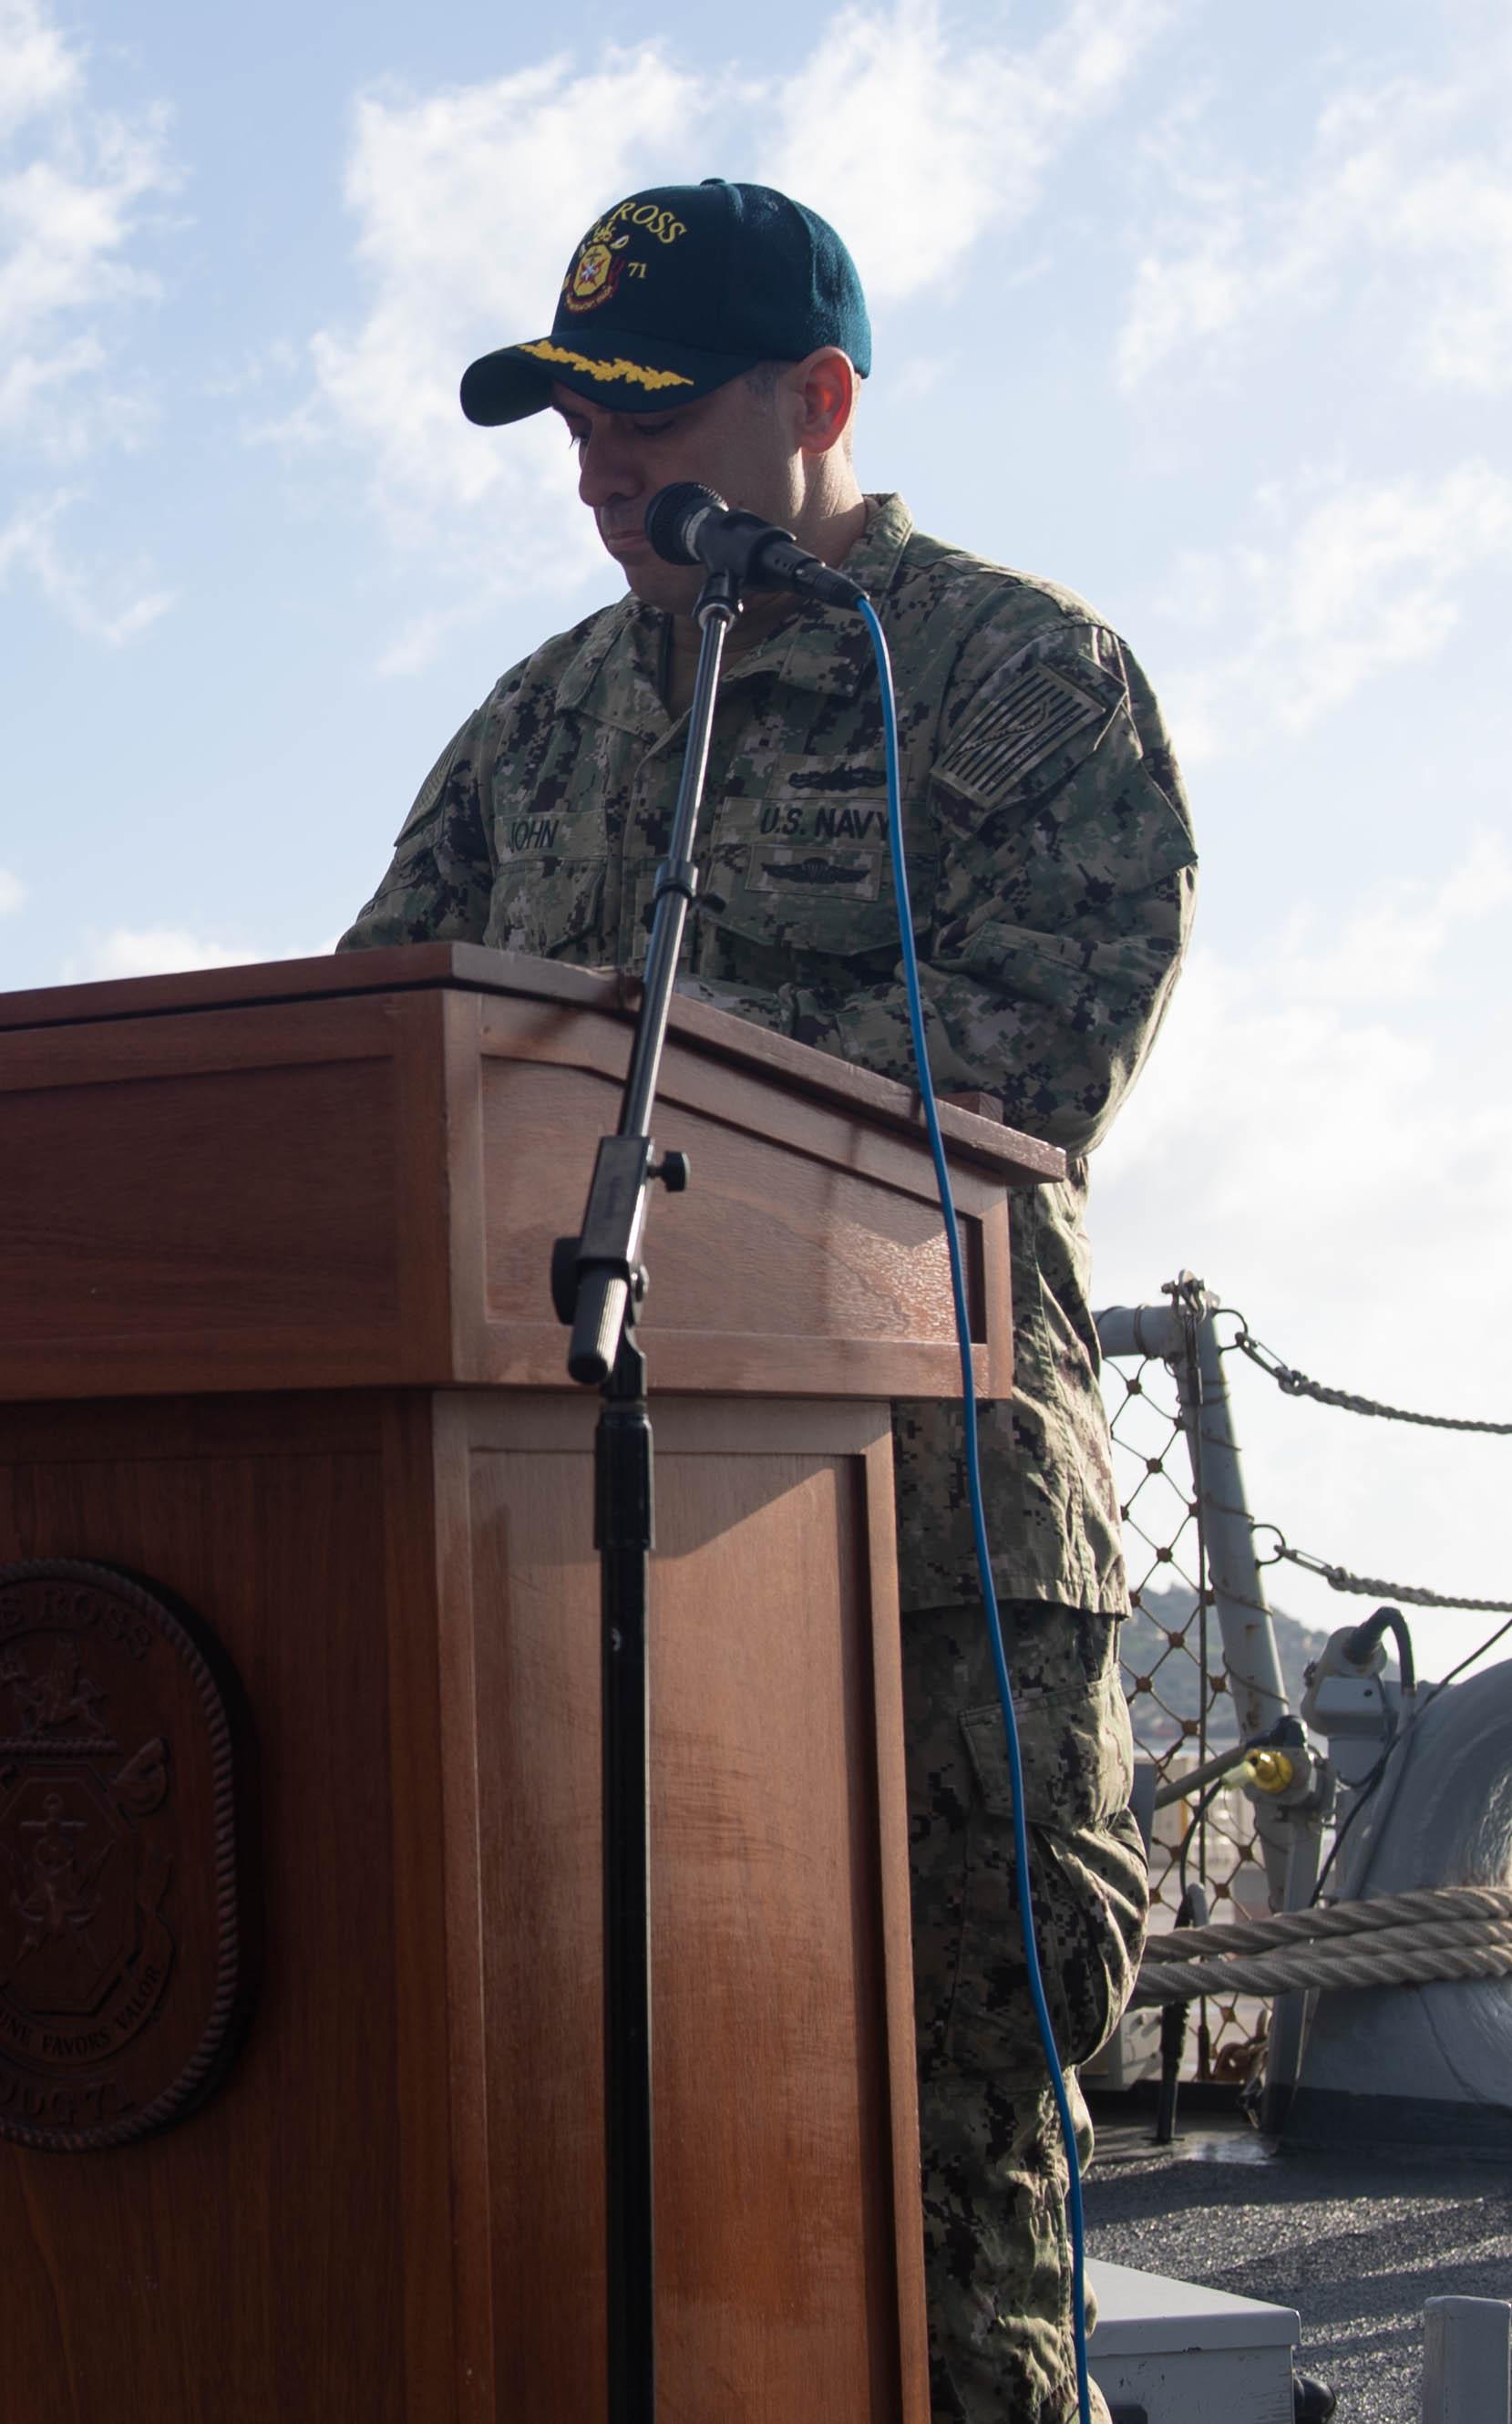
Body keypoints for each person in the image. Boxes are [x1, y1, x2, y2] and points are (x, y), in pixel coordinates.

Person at [338, 181, 1193, 2424]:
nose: (600, 467)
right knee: (615, 2173)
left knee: (948, 2184)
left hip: (920, 1550)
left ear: (818, 398)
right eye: (572, 421)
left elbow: (1015, 1093)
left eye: (646, 411)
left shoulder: (1020, 683)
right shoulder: (531, 731)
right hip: (558, 1563)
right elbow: (360, 1058)